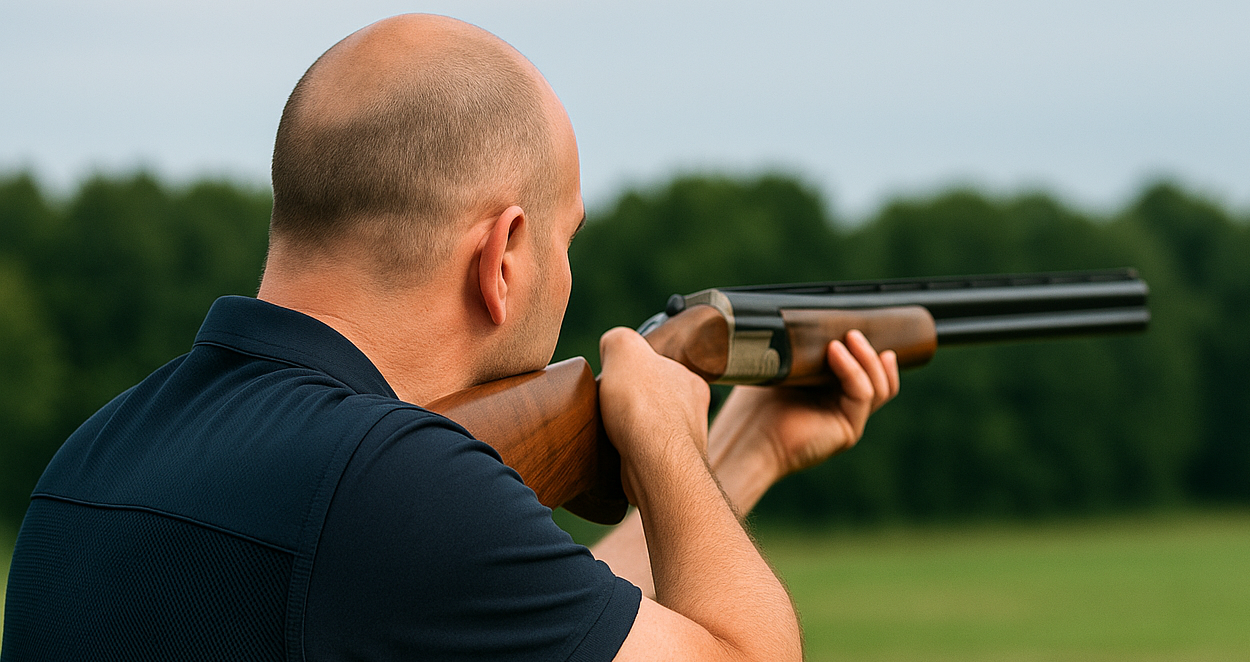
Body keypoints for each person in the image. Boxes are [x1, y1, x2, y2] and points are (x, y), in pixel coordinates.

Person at [0, 13, 900, 662]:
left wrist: (741, 452)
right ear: (503, 254)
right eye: (566, 236)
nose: (568, 271)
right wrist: (666, 439)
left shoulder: (93, 460)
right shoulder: (386, 479)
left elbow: (556, 614)